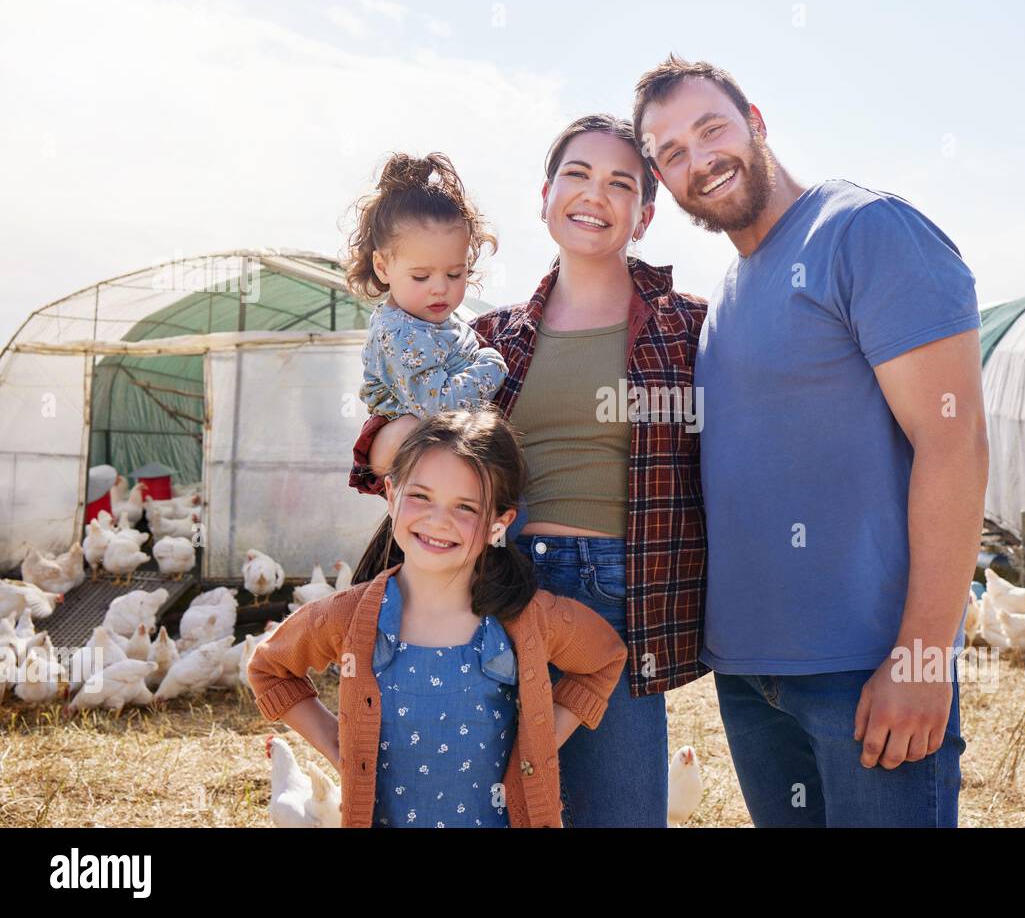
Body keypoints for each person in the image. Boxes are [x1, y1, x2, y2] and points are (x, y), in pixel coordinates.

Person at [634, 55, 989, 827]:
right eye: (671, 154)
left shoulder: (864, 230)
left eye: (710, 128)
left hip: (863, 672)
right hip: (749, 675)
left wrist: (924, 655)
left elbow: (955, 445)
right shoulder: (724, 297)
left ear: (756, 121)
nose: (699, 159)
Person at [348, 115, 708, 827]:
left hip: (622, 594)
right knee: (494, 804)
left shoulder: (687, 328)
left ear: (646, 213)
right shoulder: (490, 336)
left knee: (621, 811)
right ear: (546, 194)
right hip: (496, 584)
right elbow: (380, 455)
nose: (593, 195)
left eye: (620, 182)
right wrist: (407, 435)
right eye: (576, 174)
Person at [248, 409, 627, 827]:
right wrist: (339, 744)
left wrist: (538, 742)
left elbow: (604, 657)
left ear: (499, 523)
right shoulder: (351, 616)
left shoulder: (526, 618)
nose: (438, 520)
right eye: (421, 496)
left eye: (465, 507)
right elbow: (270, 668)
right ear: (391, 495)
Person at [347, 151, 508, 474]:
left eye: (454, 274)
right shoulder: (402, 334)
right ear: (382, 267)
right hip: (420, 457)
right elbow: (439, 406)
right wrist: (492, 365)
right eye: (421, 276)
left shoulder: (432, 320)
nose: (440, 288)